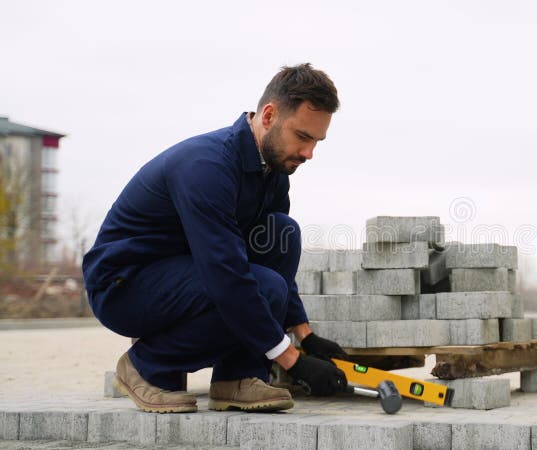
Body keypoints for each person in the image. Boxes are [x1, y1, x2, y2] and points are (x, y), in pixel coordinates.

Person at [82, 63, 348, 413]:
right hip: (125, 284)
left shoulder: (274, 173)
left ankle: (237, 378)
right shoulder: (207, 167)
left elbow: (271, 266)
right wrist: (291, 360)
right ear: (269, 116)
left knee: (281, 232)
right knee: (260, 286)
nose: (309, 153)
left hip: (186, 272)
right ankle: (146, 365)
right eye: (302, 136)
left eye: (316, 141)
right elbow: (226, 272)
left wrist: (304, 333)